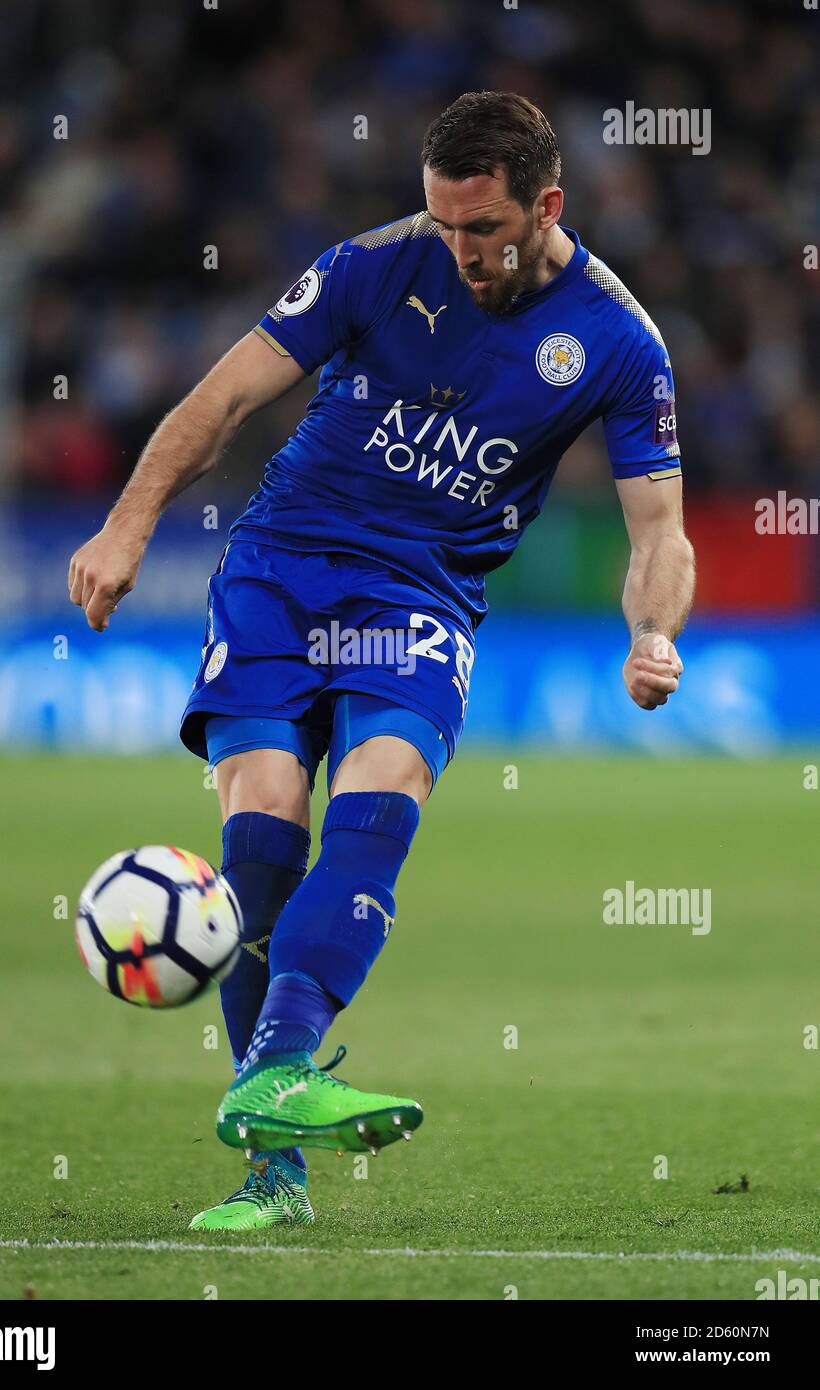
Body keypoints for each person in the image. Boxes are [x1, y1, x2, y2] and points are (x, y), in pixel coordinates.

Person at [68, 91, 695, 1231]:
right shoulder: (370, 266)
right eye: (445, 225)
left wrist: (653, 634)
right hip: (279, 565)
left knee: (386, 779)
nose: (459, 253)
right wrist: (127, 523)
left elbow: (660, 531)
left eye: (485, 232)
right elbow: (222, 398)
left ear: (545, 206)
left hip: (420, 590)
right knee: (261, 824)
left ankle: (280, 1073)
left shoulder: (616, 339)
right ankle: (276, 1169)